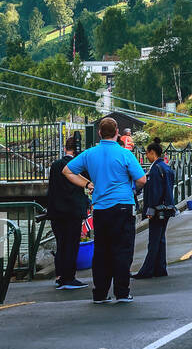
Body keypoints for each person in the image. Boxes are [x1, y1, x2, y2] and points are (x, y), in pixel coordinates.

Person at [64, 117, 147, 303]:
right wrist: (131, 187)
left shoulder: (89, 153)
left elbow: (67, 171)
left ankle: (100, 293)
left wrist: (87, 184)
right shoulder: (125, 154)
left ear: (100, 133)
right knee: (122, 250)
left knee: (102, 251)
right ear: (117, 132)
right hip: (123, 206)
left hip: (100, 208)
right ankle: (122, 292)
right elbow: (142, 179)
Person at [46, 133, 90, 290]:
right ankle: (69, 277)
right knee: (71, 245)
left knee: (61, 244)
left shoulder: (55, 165)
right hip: (73, 211)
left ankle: (59, 276)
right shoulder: (79, 167)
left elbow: (51, 189)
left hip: (56, 212)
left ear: (65, 148)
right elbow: (84, 188)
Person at [135, 138, 176, 279]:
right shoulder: (166, 167)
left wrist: (150, 211)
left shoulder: (155, 170)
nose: (146, 156)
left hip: (157, 209)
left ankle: (147, 270)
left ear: (152, 152)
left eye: (147, 153)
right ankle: (160, 268)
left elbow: (154, 192)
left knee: (153, 239)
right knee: (160, 238)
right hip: (167, 207)